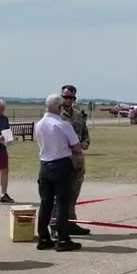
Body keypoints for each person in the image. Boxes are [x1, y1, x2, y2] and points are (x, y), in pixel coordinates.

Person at [35, 92, 83, 251]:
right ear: (59, 107)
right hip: (61, 165)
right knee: (62, 202)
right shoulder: (63, 124)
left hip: (44, 165)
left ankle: (43, 237)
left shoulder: (39, 124)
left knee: (46, 202)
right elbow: (77, 147)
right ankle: (63, 239)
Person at [60, 84, 92, 236]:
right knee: (60, 195)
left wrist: (85, 143)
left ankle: (71, 223)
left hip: (78, 160)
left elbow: (85, 133)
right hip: (63, 159)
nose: (67, 100)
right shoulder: (57, 115)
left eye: (70, 97)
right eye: (65, 97)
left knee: (74, 194)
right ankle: (57, 225)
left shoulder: (79, 115)